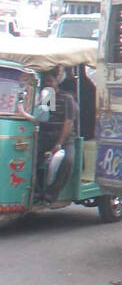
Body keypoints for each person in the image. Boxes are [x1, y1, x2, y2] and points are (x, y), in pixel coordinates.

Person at [32, 68, 76, 202]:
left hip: (64, 138)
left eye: (50, 81)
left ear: (57, 81)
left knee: (68, 161)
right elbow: (43, 118)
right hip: (45, 136)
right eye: (45, 82)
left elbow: (68, 123)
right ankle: (37, 192)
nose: (48, 84)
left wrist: (59, 144)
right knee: (30, 159)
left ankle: (52, 194)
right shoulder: (46, 98)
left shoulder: (67, 98)